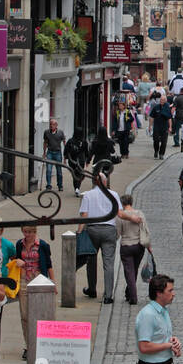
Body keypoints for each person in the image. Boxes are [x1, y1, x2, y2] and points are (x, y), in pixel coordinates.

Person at [78, 171, 140, 304]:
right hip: (109, 230)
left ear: (94, 182)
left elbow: (84, 215)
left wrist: (79, 232)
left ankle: (92, 289)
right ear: (105, 182)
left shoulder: (88, 195)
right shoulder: (113, 195)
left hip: (93, 230)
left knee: (91, 260)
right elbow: (120, 214)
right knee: (108, 263)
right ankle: (108, 295)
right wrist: (132, 217)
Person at [15, 225, 54, 360]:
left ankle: (40, 343)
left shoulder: (42, 245)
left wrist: (52, 283)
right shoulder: (19, 244)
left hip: (38, 279)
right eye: (25, 232)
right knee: (25, 315)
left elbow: (49, 265)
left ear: (35, 232)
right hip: (24, 280)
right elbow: (16, 260)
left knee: (38, 314)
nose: (28, 235)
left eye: (30, 232)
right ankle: (28, 345)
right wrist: (17, 261)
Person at [117, 194, 152, 306]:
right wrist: (149, 246)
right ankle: (129, 292)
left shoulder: (121, 216)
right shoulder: (139, 214)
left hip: (126, 246)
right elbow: (145, 230)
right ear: (131, 202)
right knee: (134, 270)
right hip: (138, 246)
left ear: (122, 203)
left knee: (129, 271)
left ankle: (133, 297)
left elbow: (118, 233)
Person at [42, 118, 66, 191]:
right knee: (48, 170)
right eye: (50, 124)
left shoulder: (60, 132)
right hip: (50, 152)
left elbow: (64, 142)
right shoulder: (46, 132)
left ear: (56, 125)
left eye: (52, 124)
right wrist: (44, 152)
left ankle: (60, 185)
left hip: (58, 153)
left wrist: (65, 155)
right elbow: (45, 142)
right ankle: (48, 185)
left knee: (59, 170)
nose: (51, 126)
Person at [64, 131, 89, 197]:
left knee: (74, 175)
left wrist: (65, 158)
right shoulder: (84, 141)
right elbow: (86, 152)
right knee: (80, 174)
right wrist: (87, 161)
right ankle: (78, 188)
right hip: (81, 160)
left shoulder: (70, 141)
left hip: (72, 160)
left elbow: (66, 150)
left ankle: (76, 188)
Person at [149, 93, 173, 159]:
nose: (162, 101)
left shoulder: (167, 108)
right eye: (161, 99)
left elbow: (169, 118)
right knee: (156, 140)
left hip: (165, 127)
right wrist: (150, 126)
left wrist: (170, 127)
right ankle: (156, 151)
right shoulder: (156, 107)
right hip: (156, 126)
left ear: (165, 100)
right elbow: (151, 117)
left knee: (164, 142)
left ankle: (161, 154)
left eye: (163, 100)